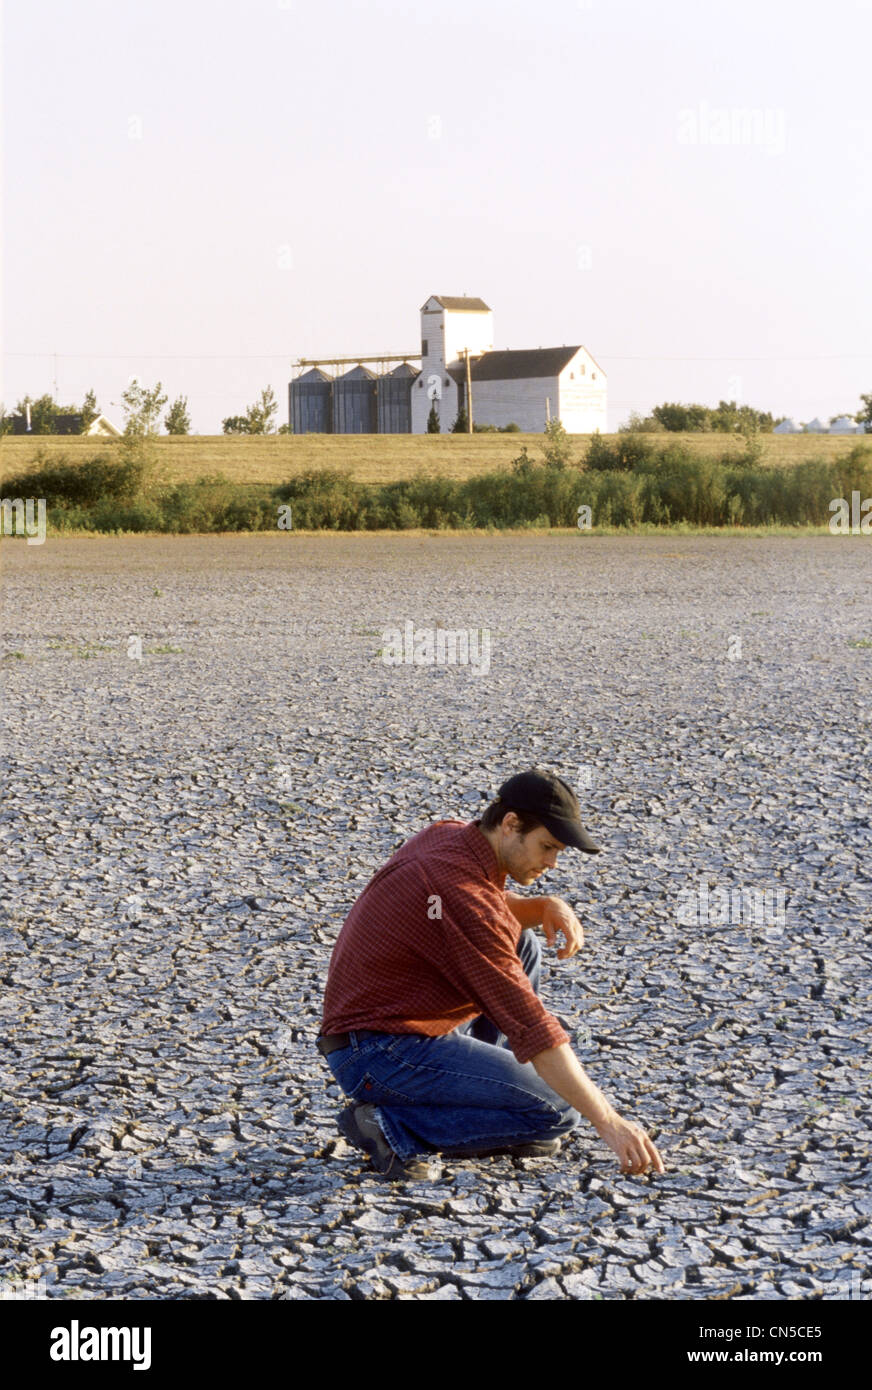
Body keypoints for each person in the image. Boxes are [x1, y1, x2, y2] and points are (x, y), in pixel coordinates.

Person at [317, 768, 665, 1181]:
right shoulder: (460, 896)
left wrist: (541, 906)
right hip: (378, 1054)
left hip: (391, 1030)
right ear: (511, 824)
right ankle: (391, 1126)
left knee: (524, 943)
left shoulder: (450, 836)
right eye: (547, 847)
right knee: (557, 1110)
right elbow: (532, 1026)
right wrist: (610, 1122)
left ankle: (490, 1100)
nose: (553, 863)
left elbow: (479, 901)